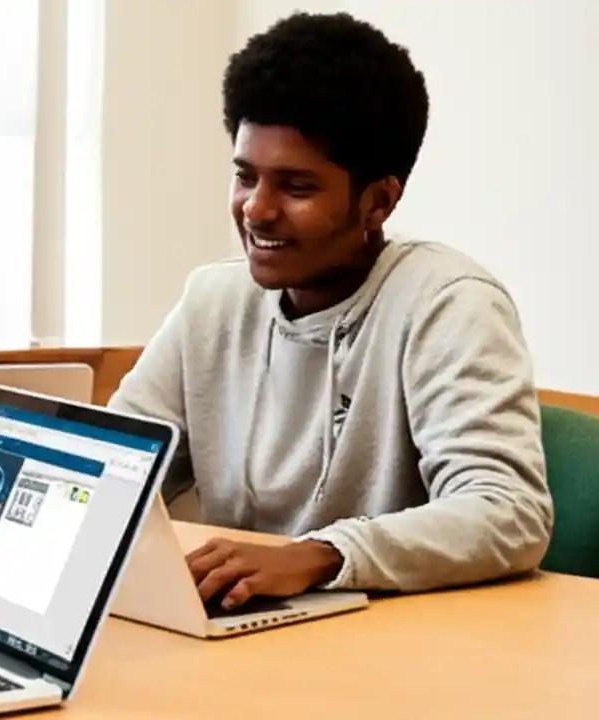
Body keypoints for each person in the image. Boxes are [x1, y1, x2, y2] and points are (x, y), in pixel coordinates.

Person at [109, 12, 553, 610]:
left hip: (396, 652)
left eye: (296, 187)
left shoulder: (448, 302)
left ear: (379, 201)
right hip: (243, 633)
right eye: (245, 176)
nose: (256, 211)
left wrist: (318, 555)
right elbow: (111, 471)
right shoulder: (212, 302)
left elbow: (509, 512)